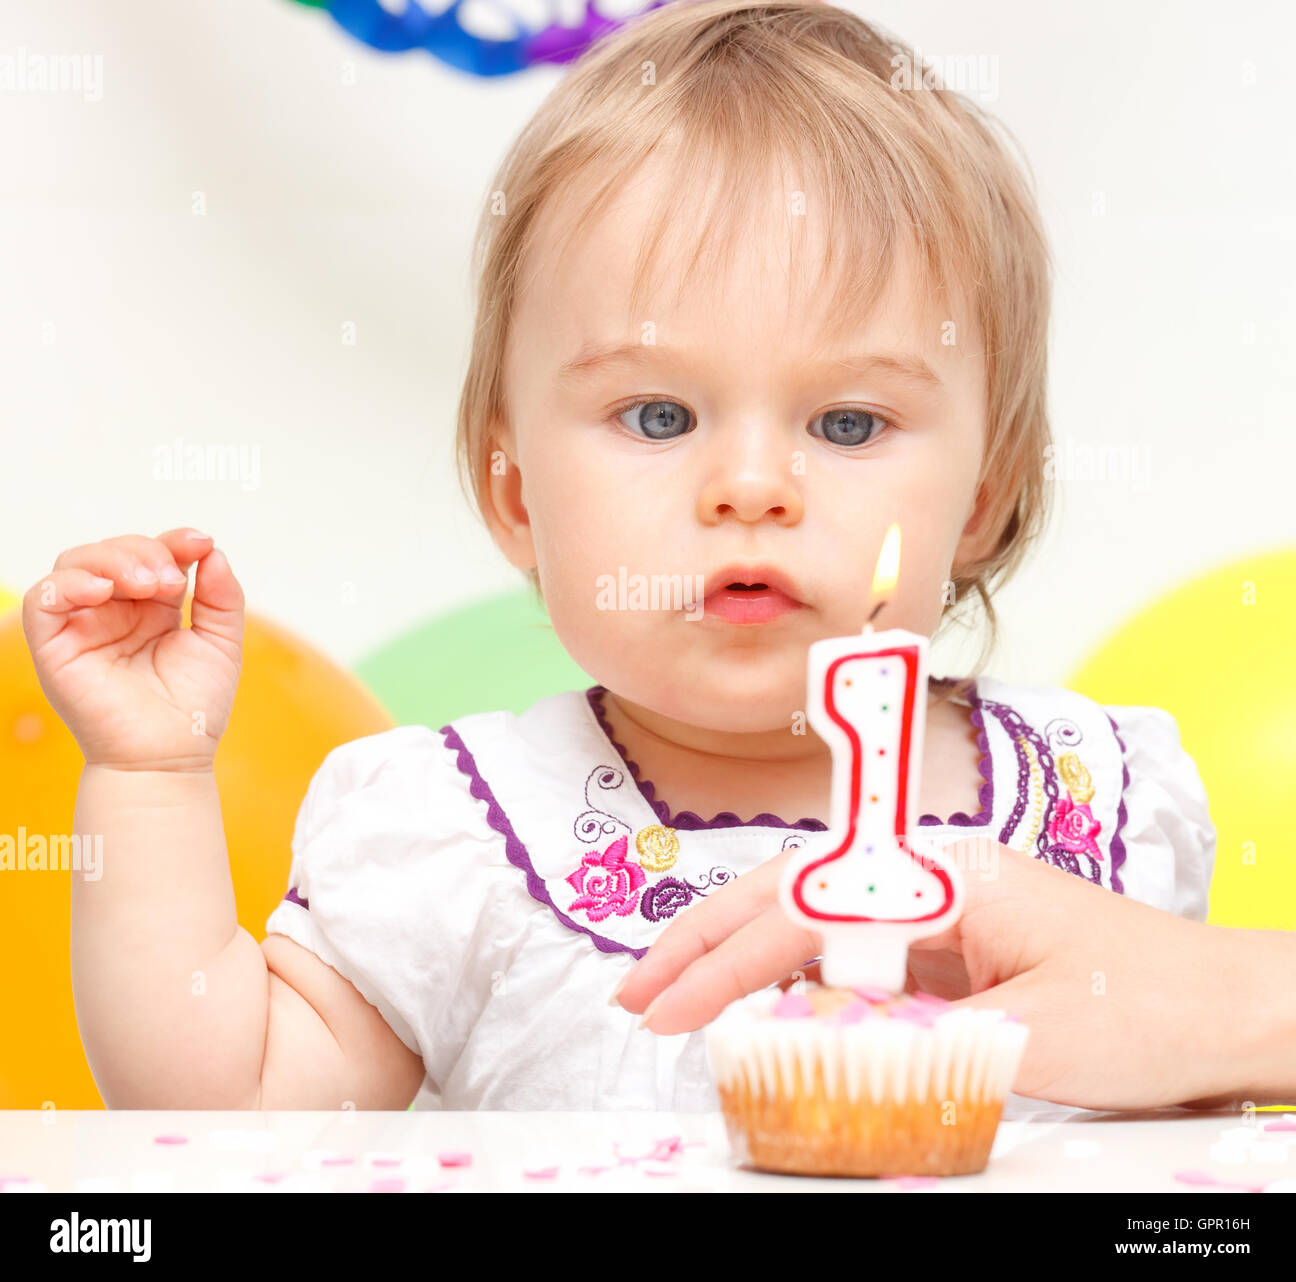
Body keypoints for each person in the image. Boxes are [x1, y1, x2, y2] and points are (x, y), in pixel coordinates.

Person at [22, 1, 1214, 1111]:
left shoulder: (1100, 803)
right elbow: (230, 1111)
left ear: (980, 500)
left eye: (846, 424)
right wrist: (150, 778)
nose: (751, 489)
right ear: (516, 495)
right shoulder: (459, 835)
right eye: (657, 417)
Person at [613, 836, 1296, 1111]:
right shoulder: (503, 830)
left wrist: (1222, 1000)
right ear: (513, 517)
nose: (755, 513)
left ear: (980, 519)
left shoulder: (1129, 779)